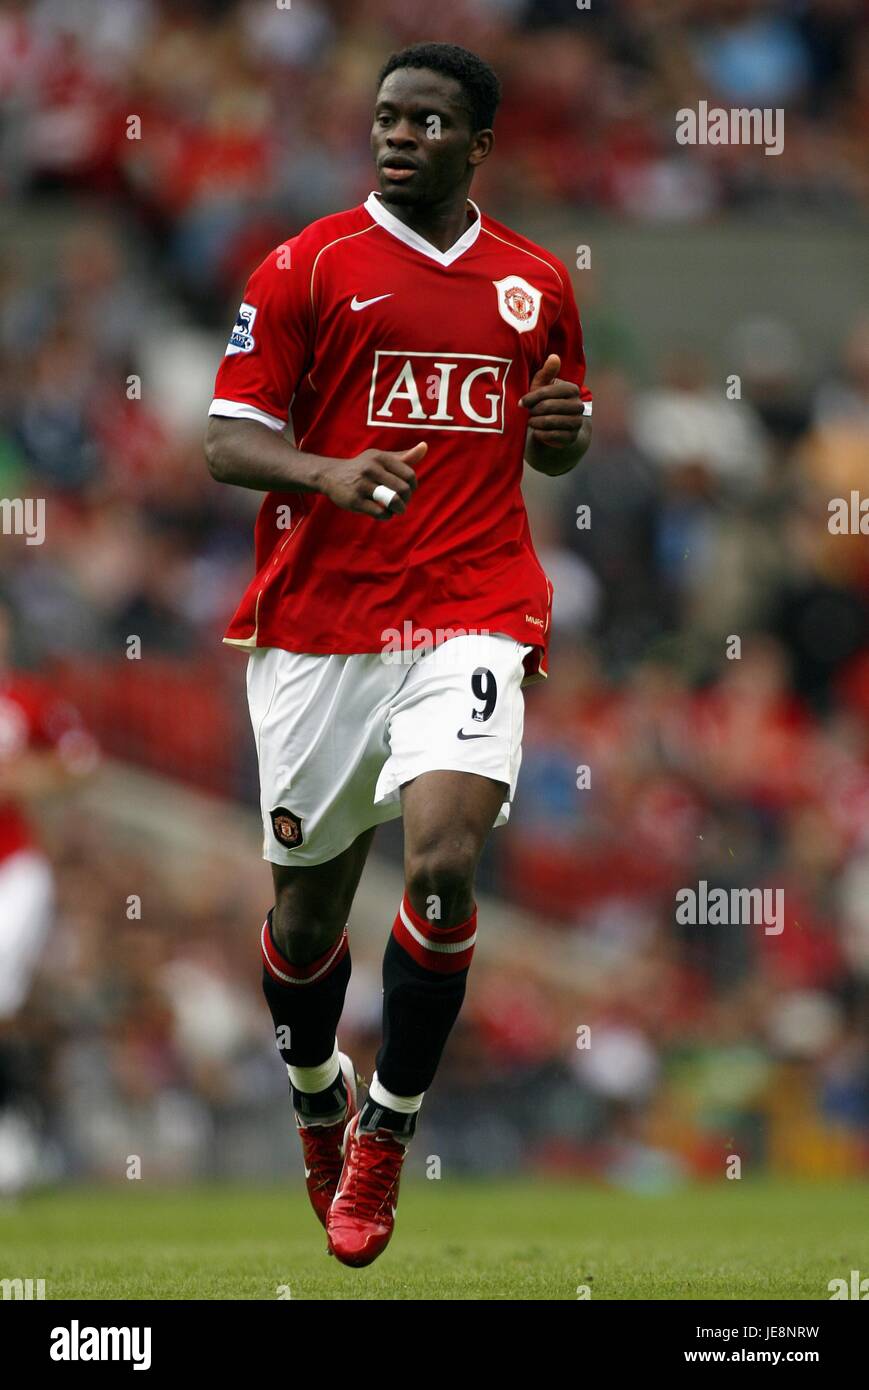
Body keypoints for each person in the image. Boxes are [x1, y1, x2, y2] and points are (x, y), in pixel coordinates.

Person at [204, 42, 592, 1267]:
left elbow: (556, 448)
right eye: (385, 118)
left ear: (478, 142)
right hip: (321, 626)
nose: (397, 136)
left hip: (475, 609)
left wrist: (565, 434)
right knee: (308, 919)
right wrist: (328, 472)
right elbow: (226, 440)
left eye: (426, 121)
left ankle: (386, 1126)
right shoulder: (304, 265)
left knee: (439, 868)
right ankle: (317, 1089)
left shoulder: (534, 281)